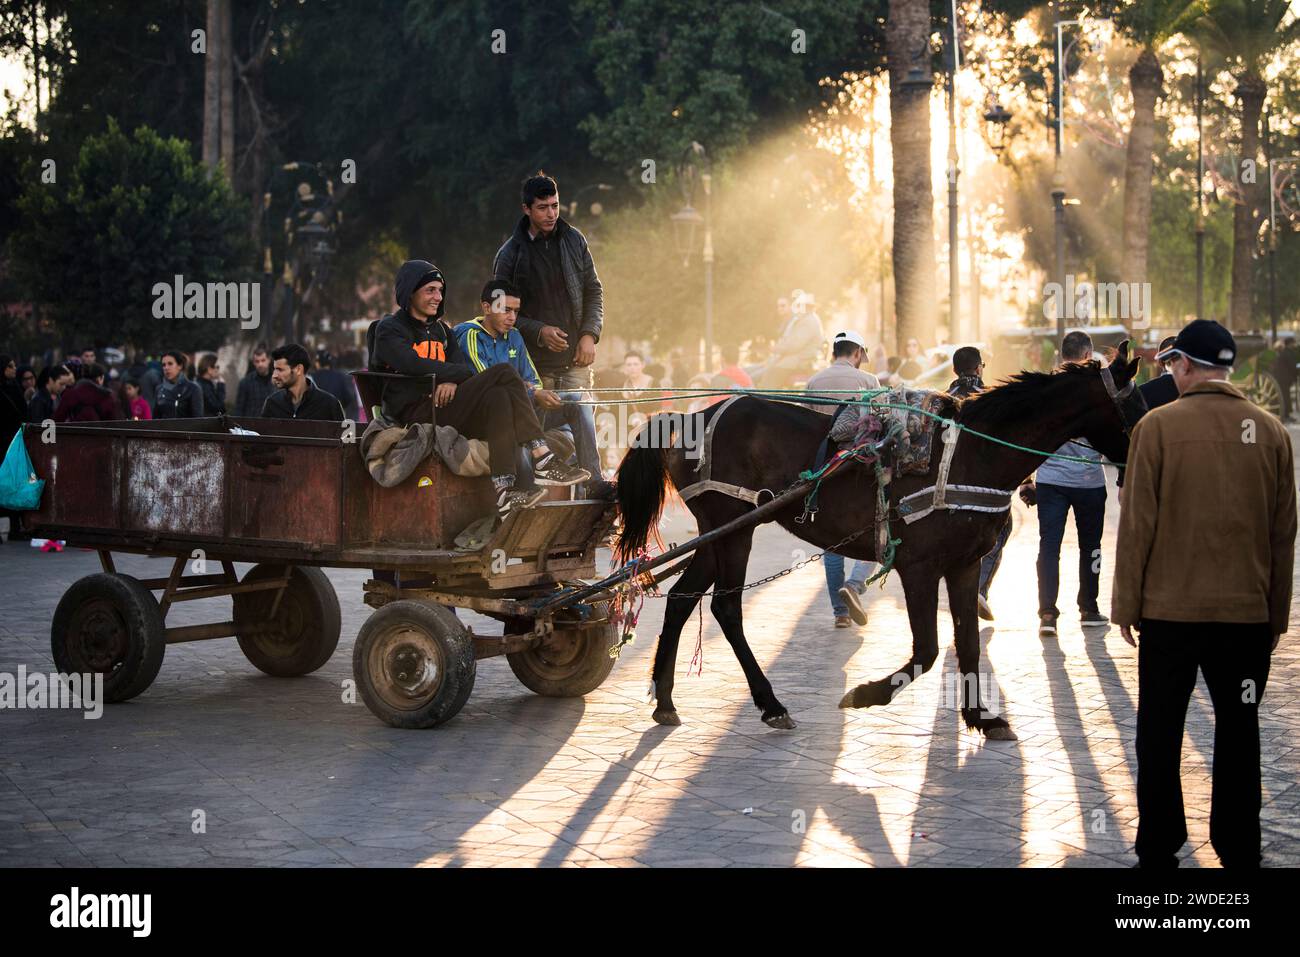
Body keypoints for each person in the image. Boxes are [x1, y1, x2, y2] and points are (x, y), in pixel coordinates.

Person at [1112, 319, 1296, 869]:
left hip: (1169, 618)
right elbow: (1282, 535)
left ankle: (1160, 842)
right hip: (1244, 621)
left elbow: (1137, 524)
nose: (1170, 372)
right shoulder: (1271, 432)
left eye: (1172, 364)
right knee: (1240, 731)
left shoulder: (1157, 429)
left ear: (1186, 366)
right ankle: (1238, 846)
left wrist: (1126, 606)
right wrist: (1276, 616)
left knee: (1160, 732)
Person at [371, 260, 588, 517]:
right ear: (410, 291)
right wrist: (449, 375)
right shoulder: (389, 329)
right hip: (413, 415)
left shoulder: (442, 330)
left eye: (440, 290)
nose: (437, 297)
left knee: (499, 396)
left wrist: (449, 379)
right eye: (430, 290)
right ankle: (541, 455)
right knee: (505, 373)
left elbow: (463, 370)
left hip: (445, 408)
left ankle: (505, 492)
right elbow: (410, 363)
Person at [492, 172, 604, 484]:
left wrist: (589, 335)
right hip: (532, 369)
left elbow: (594, 290)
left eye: (555, 205)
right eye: (542, 207)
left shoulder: (574, 240)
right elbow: (501, 316)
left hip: (575, 360)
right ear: (526, 209)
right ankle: (530, 501)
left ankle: (593, 490)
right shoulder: (510, 255)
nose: (551, 214)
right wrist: (539, 331)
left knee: (583, 426)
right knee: (534, 436)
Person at [455, 279, 610, 495]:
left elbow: (533, 380)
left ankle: (594, 483)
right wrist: (527, 389)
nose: (512, 318)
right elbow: (487, 381)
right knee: (508, 406)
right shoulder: (469, 335)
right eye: (505, 310)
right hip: (492, 414)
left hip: (525, 404)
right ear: (486, 307)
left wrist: (530, 390)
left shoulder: (515, 336)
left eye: (516, 311)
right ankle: (528, 490)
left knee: (578, 400)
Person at [1020, 330, 1111, 636]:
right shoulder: (1099, 389)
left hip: (1050, 481)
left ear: (1061, 355)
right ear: (1088, 356)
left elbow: (1030, 436)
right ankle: (1089, 609)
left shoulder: (1046, 388)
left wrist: (1026, 480)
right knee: (1091, 548)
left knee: (1049, 546)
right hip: (1090, 483)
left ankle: (1047, 614)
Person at [804, 330, 880, 627]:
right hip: (860, 470)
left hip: (824, 470)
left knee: (831, 542)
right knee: (876, 534)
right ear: (858, 353)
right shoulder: (869, 382)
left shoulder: (813, 382)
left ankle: (841, 614)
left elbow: (805, 428)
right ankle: (855, 584)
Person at [947, 346, 1009, 621]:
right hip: (988, 488)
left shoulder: (943, 400)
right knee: (1001, 528)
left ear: (954, 370)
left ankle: (962, 592)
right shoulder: (994, 399)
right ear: (980, 368)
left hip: (950, 486)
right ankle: (979, 588)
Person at [754, 289, 825, 389]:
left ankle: (766, 399)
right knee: (768, 371)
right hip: (794, 359)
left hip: (801, 361)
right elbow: (790, 342)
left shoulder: (809, 321)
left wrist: (775, 348)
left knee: (771, 374)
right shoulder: (803, 320)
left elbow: (794, 345)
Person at [262, 344, 345, 421]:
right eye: (275, 369)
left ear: (298, 369)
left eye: (280, 369)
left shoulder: (329, 404)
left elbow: (342, 435)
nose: (274, 375)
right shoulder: (272, 403)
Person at [53, 363, 120, 422]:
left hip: (75, 434)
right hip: (101, 435)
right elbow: (114, 422)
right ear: (100, 378)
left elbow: (58, 419)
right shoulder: (107, 397)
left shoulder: (70, 394)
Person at [153, 350, 205, 418]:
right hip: (165, 428)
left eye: (170, 364)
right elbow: (156, 418)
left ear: (180, 366)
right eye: (163, 365)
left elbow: (198, 419)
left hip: (185, 428)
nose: (166, 368)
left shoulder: (193, 388)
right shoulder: (159, 389)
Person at [312, 349, 359, 421]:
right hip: (335, 419)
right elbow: (347, 398)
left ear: (318, 363)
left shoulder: (312, 378)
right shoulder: (340, 377)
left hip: (315, 419)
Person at [235, 346, 275, 418]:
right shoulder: (245, 382)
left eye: (263, 360)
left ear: (269, 360)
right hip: (251, 425)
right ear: (254, 362)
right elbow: (239, 409)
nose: (260, 364)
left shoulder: (277, 381)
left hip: (272, 425)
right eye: (257, 361)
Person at [1271, 336, 1298, 422]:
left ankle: (1285, 414)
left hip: (1282, 378)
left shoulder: (1284, 353)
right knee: (1285, 396)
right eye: (1294, 343)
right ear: (1290, 343)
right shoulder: (1288, 353)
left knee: (1284, 396)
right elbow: (1292, 366)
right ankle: (1285, 415)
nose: (1295, 344)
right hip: (1284, 378)